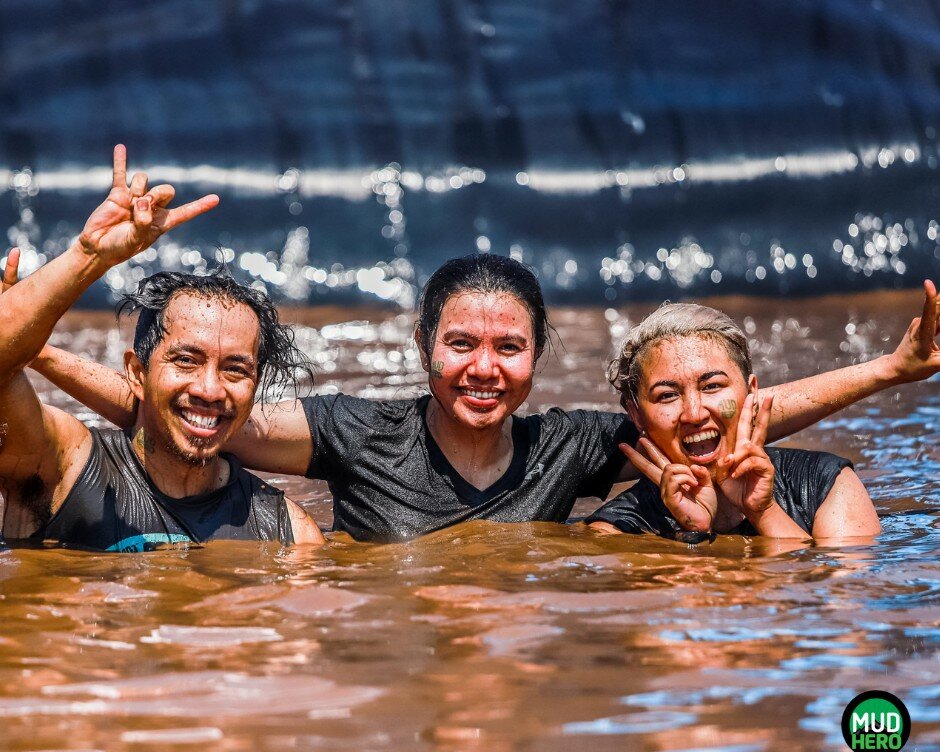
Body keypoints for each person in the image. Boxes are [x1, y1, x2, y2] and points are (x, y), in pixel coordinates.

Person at [19, 250, 940, 542]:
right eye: (460, 344)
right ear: (425, 349)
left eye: (509, 348)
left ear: (537, 360)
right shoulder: (352, 431)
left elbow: (715, 414)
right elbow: (199, 416)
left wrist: (888, 374)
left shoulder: (571, 447)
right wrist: (48, 355)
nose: (483, 368)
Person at [0, 145, 322, 551]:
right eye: (186, 361)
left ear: (254, 388)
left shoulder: (287, 533)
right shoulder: (63, 466)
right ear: (136, 373)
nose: (209, 390)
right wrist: (89, 258)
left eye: (235, 370)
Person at [588, 303, 882, 542]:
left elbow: (838, 603)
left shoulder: (826, 485)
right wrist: (695, 533)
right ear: (636, 414)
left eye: (712, 386)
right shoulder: (616, 529)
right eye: (667, 395)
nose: (694, 414)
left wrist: (764, 513)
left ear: (751, 392)